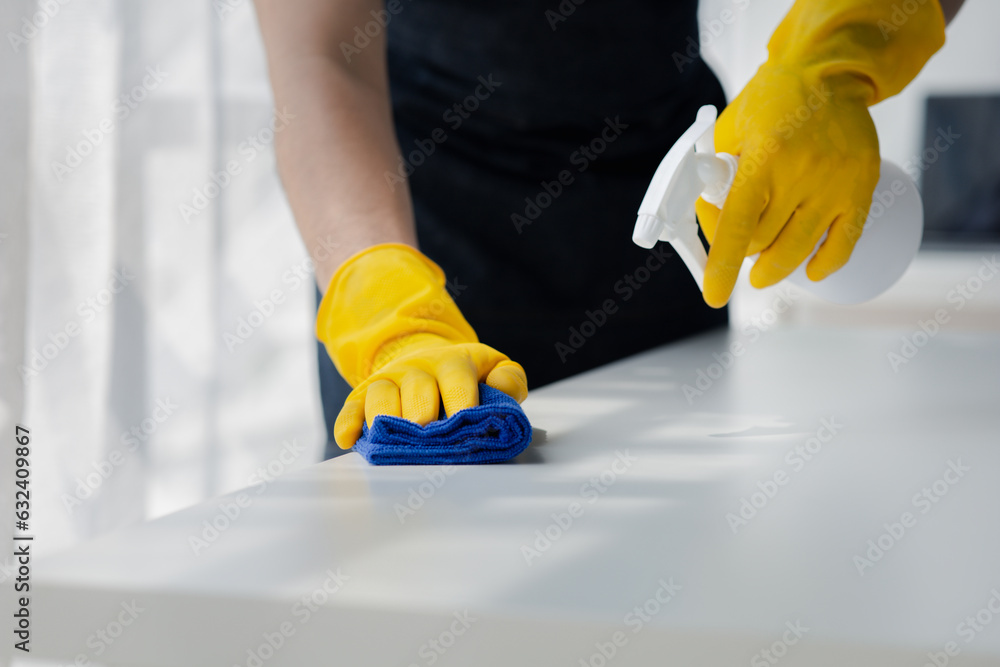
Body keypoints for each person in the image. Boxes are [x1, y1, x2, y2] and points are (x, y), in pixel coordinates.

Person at [253, 0, 964, 460]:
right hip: (421, 219)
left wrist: (835, 56)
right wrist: (379, 290)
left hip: (656, 215)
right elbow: (320, 58)